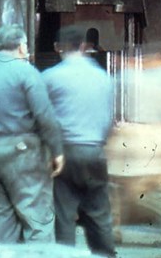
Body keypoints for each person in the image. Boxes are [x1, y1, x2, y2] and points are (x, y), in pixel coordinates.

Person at [0, 24, 65, 243]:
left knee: (3, 220)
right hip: (23, 152)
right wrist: (57, 150)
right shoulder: (26, 72)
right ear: (22, 46)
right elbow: (45, 116)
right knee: (38, 220)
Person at [43, 25, 117, 257]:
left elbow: (42, 116)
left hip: (65, 153)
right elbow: (109, 119)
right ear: (84, 46)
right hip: (95, 152)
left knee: (63, 215)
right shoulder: (102, 76)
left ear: (57, 47)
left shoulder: (50, 77)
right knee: (99, 214)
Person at [108, 42, 161, 249]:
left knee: (126, 190)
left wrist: (127, 66)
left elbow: (124, 83)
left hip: (140, 141)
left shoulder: (139, 79)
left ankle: (112, 232)